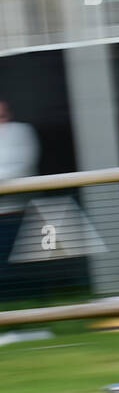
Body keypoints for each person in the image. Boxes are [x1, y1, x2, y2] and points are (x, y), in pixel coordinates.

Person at [0, 99, 39, 291]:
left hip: (15, 212)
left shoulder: (20, 132)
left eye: (2, 116)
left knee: (17, 266)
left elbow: (19, 167)